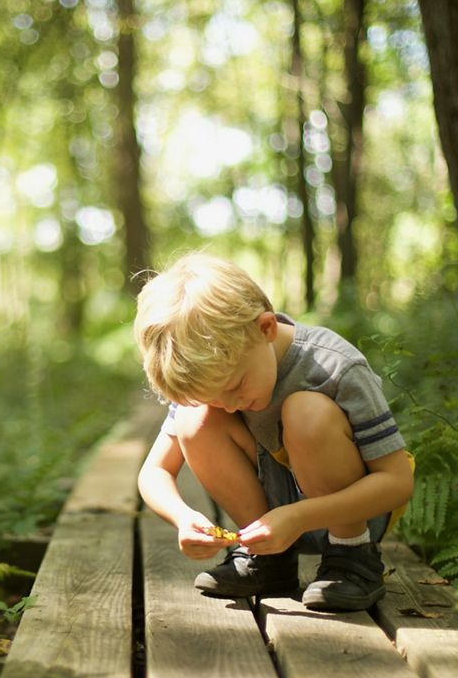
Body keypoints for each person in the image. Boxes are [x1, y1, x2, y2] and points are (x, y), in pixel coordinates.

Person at [133, 253, 414, 611]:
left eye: (236, 387)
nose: (230, 406)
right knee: (194, 417)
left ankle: (352, 558)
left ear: (265, 328)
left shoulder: (333, 366)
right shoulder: (218, 381)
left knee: (305, 412)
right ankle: (269, 559)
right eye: (215, 396)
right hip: (274, 521)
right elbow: (154, 472)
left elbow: (397, 482)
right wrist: (182, 517)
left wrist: (299, 517)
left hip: (353, 511)